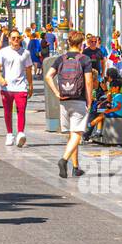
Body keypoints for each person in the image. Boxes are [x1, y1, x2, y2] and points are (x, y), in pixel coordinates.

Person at [47, 30, 97, 178]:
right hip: (79, 99)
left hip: (64, 100)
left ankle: (75, 167)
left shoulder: (61, 59)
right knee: (77, 134)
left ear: (69, 42)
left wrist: (57, 93)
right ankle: (63, 160)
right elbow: (88, 81)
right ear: (81, 44)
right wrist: (89, 99)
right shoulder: (84, 59)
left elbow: (48, 76)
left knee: (72, 134)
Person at [0, 30, 34, 147]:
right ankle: (9, 134)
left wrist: (30, 85)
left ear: (20, 39)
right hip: (7, 87)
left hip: (21, 87)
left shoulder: (25, 53)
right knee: (7, 111)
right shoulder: (3, 52)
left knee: (21, 110)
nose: (16, 40)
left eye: (18, 38)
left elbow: (29, 70)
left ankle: (20, 133)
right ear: (9, 39)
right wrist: (1, 79)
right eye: (13, 38)